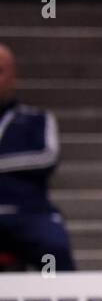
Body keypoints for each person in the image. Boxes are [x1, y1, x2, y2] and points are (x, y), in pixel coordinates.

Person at [0, 43, 74, 272]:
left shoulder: (36, 119)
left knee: (55, 249)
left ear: (13, 76)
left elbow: (47, 157)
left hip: (28, 214)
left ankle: (63, 299)